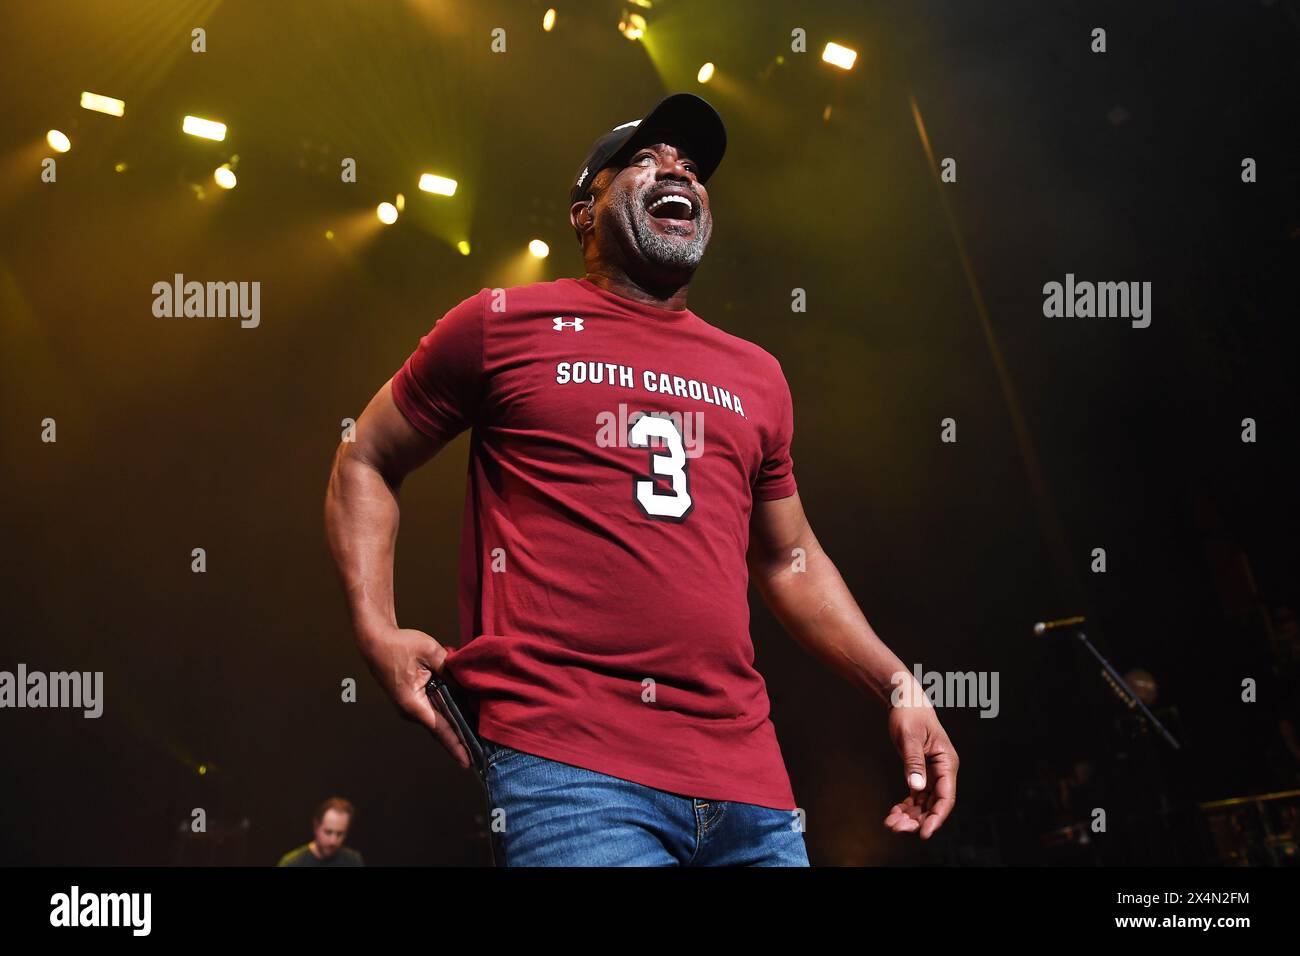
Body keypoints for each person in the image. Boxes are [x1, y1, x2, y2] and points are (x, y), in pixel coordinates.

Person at [324, 92, 958, 866]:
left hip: (749, 782)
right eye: (647, 160)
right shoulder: (501, 325)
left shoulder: (755, 375)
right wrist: (375, 627)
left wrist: (900, 685)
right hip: (572, 771)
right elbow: (366, 456)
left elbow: (789, 560)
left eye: (692, 167)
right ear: (584, 212)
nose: (679, 173)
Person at [276, 797, 364, 867]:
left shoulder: (353, 860)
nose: (333, 841)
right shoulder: (292, 863)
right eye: (328, 832)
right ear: (316, 827)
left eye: (340, 834)